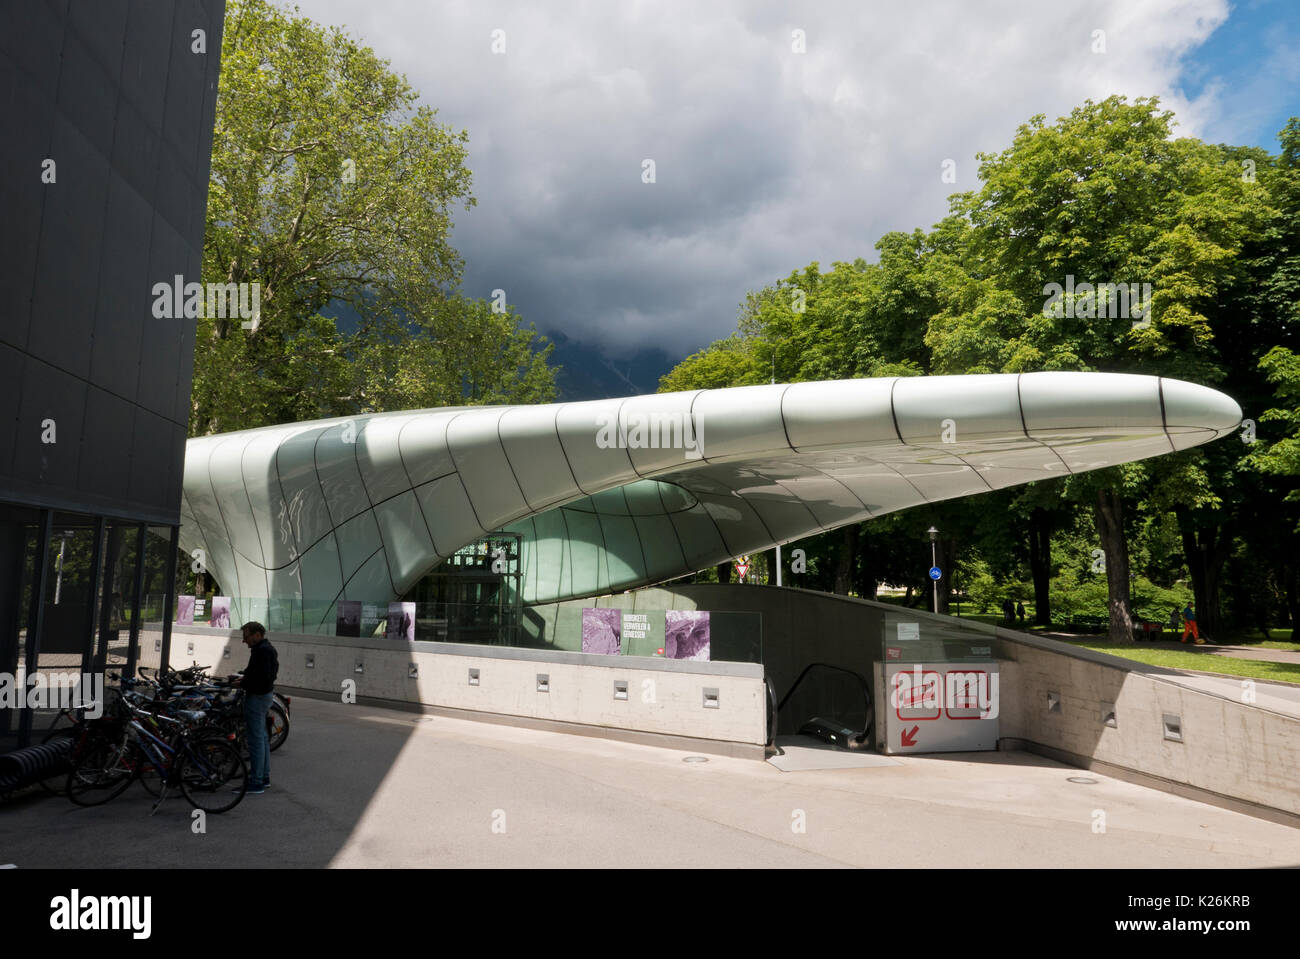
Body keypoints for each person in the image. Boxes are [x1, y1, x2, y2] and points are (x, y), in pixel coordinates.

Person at [237, 621, 278, 793]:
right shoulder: (265, 649)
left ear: (257, 635)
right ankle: (263, 776)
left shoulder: (262, 651)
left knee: (255, 741)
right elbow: (261, 674)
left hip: (257, 697)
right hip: (264, 695)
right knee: (261, 738)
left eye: (246, 636)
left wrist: (243, 682)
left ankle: (256, 781)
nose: (244, 640)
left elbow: (261, 677)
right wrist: (243, 676)